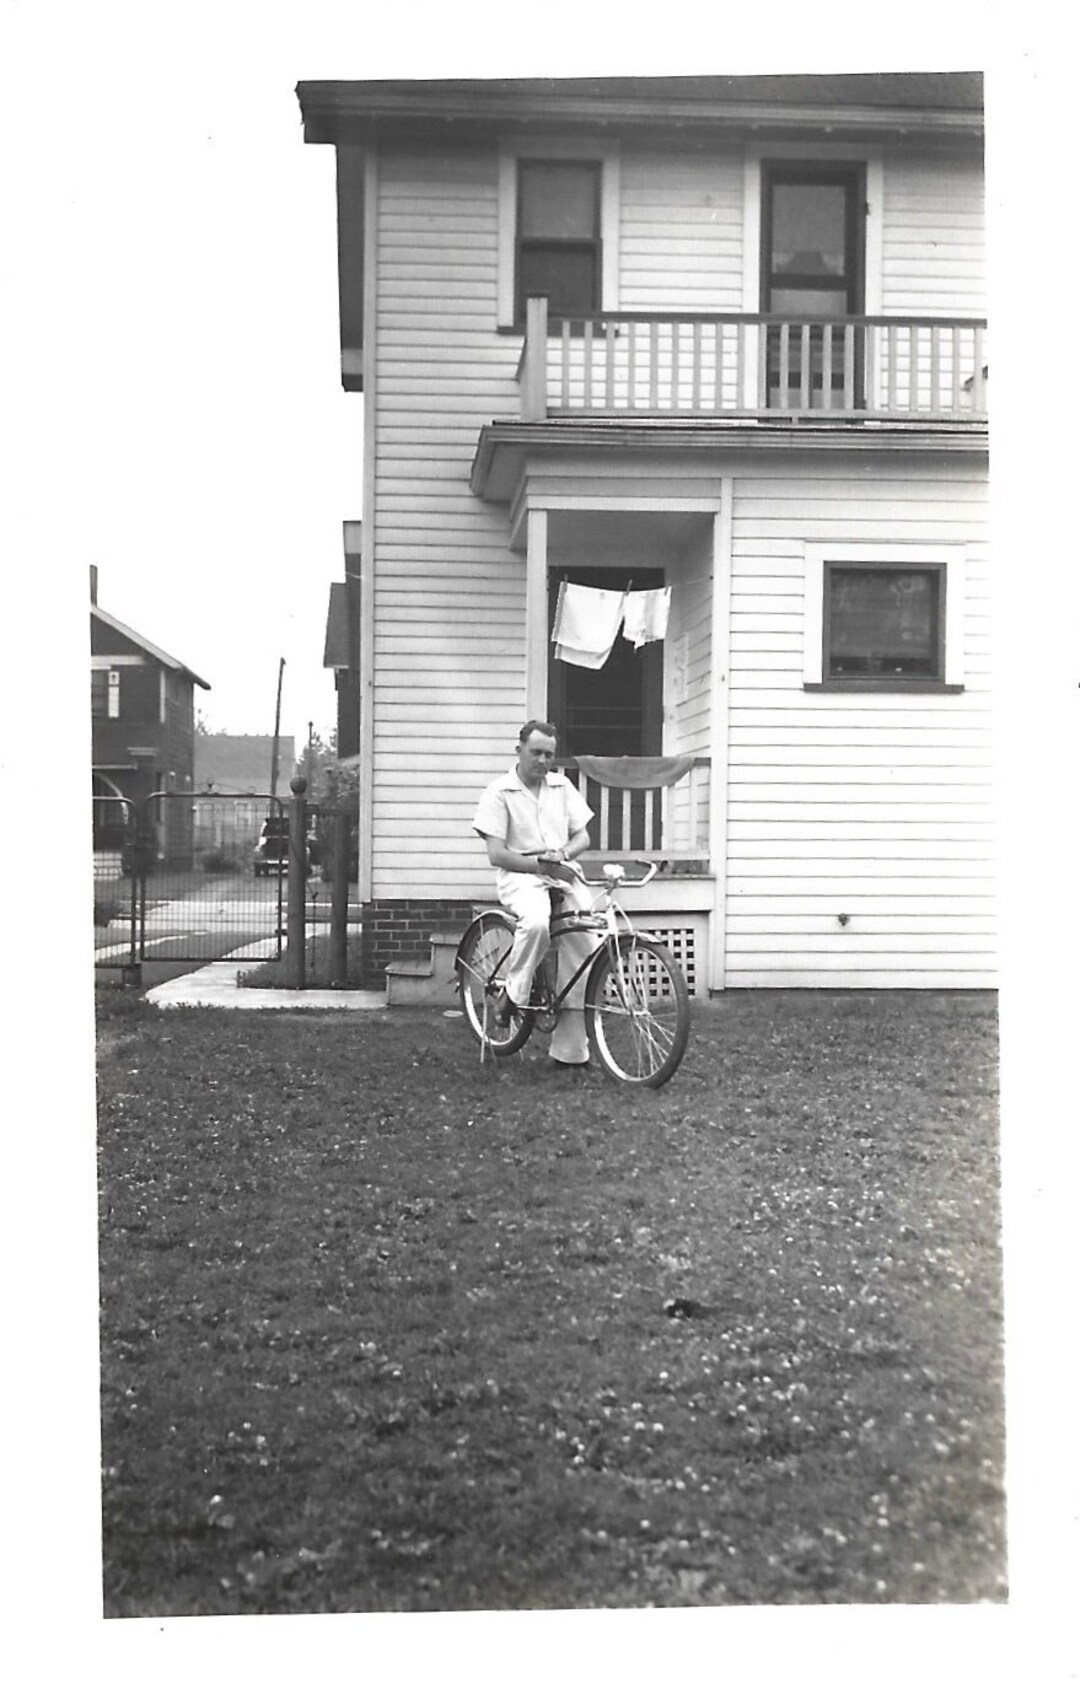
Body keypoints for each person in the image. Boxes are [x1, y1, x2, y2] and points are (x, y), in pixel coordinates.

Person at [472, 720, 596, 1067]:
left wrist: (564, 855)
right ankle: (512, 995)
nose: (543, 761)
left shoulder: (561, 786)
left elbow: (582, 836)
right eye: (536, 753)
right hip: (520, 875)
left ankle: (571, 1052)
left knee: (586, 941)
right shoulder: (499, 793)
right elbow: (496, 854)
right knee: (538, 923)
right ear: (519, 751)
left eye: (549, 755)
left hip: (561, 872)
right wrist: (539, 866)